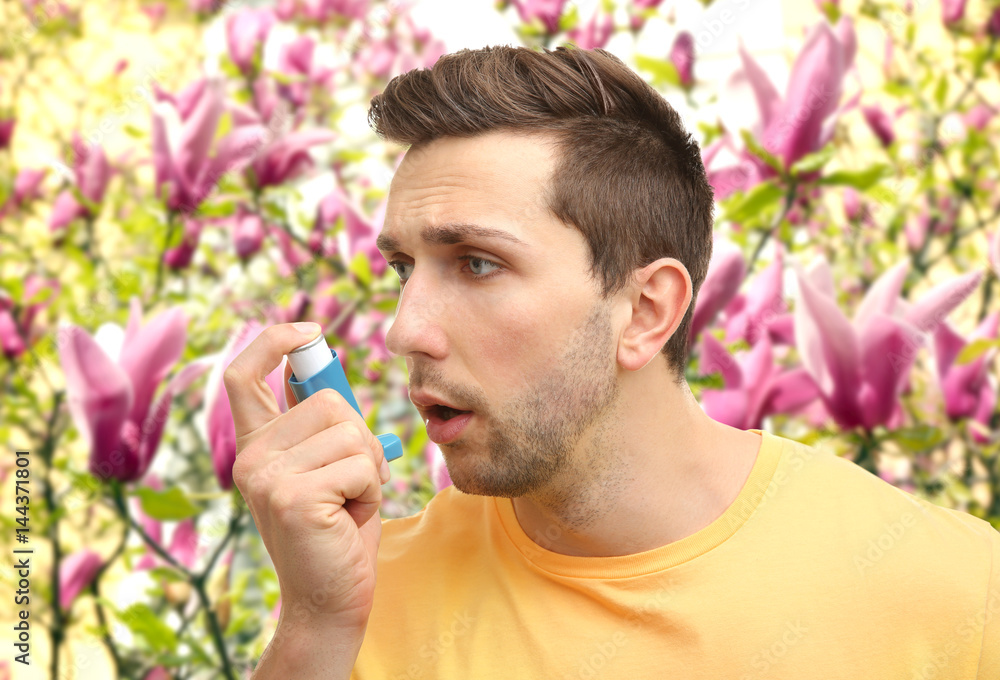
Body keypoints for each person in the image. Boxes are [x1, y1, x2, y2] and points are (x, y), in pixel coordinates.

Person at [224, 45, 1000, 679]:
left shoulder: (959, 596)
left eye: (478, 263)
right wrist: (314, 633)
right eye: (404, 267)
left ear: (646, 311)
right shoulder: (356, 599)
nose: (404, 330)